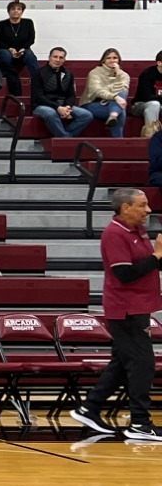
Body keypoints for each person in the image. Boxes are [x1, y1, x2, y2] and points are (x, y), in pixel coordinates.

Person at [71, 187, 162, 443]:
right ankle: (140, 424)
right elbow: (124, 273)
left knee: (124, 362)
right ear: (125, 208)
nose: (148, 210)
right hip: (125, 309)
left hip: (139, 305)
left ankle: (90, 408)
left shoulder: (137, 231)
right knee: (143, 363)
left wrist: (157, 258)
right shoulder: (114, 234)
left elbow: (148, 264)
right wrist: (156, 257)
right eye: (142, 205)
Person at [32, 48, 98, 138]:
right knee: (51, 113)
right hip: (42, 105)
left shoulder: (68, 74)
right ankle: (65, 138)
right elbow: (38, 97)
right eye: (55, 57)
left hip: (63, 105)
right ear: (49, 58)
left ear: (64, 60)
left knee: (86, 115)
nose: (58, 60)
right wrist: (58, 107)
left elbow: (71, 95)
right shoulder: (38, 74)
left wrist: (67, 107)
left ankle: (65, 137)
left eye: (61, 57)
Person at [0, 0, 37, 99]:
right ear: (9, 11)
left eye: (19, 9)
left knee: (29, 54)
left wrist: (22, 49)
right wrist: (10, 49)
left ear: (22, 11)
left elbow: (31, 39)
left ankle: (37, 79)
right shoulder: (2, 24)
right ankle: (9, 77)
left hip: (22, 49)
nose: (16, 11)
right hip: (5, 49)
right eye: (13, 9)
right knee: (5, 54)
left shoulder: (28, 23)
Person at [84, 48, 131, 137]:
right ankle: (119, 143)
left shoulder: (123, 75)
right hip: (93, 104)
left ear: (119, 60)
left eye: (115, 58)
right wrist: (114, 97)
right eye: (108, 58)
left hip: (112, 105)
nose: (112, 60)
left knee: (120, 99)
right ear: (103, 60)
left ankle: (113, 116)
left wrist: (118, 75)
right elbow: (97, 91)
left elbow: (123, 91)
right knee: (120, 109)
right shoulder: (95, 73)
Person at [133, 51, 162, 134]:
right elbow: (146, 96)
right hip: (141, 104)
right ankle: (151, 137)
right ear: (159, 63)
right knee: (154, 104)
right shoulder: (148, 74)